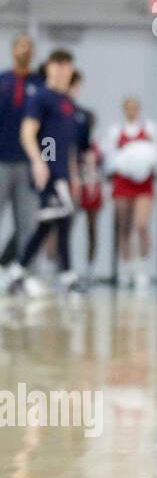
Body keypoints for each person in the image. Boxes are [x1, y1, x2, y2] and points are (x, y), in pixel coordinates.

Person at [6, 49, 81, 295]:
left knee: (50, 224)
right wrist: (40, 162)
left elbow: (65, 142)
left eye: (67, 66)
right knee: (59, 221)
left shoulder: (66, 102)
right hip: (48, 172)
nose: (63, 71)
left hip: (61, 172)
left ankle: (17, 271)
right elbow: (29, 133)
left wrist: (73, 174)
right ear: (50, 68)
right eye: (59, 65)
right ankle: (66, 276)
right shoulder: (42, 97)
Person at [105, 96, 157, 290]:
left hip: (144, 183)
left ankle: (142, 268)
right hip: (123, 181)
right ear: (124, 110)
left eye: (135, 107)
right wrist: (126, 164)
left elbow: (155, 155)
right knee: (124, 226)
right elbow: (110, 158)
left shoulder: (149, 129)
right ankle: (126, 267)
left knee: (142, 225)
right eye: (128, 108)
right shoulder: (115, 131)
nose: (132, 111)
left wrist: (141, 165)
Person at [0, 34, 40, 269]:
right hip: (1, 161)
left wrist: (48, 162)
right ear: (13, 50)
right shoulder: (3, 81)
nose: (24, 50)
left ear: (33, 52)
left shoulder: (40, 85)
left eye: (29, 46)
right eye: (20, 46)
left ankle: (27, 274)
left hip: (28, 164)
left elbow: (50, 131)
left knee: (28, 224)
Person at [69, 72, 103, 276]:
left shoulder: (96, 146)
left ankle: (88, 269)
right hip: (75, 184)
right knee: (64, 226)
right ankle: (60, 267)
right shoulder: (69, 142)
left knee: (92, 229)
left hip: (92, 188)